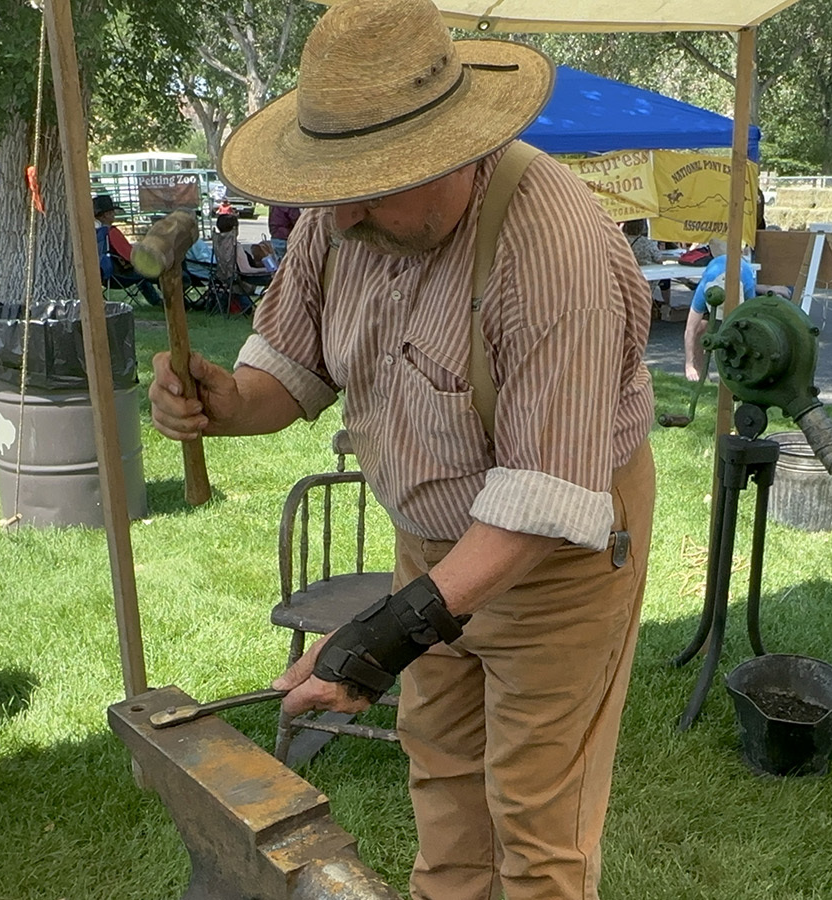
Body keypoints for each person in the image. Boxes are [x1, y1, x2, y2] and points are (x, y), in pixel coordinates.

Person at [148, 1, 655, 897]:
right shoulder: (341, 222)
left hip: (555, 567)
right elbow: (289, 373)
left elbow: (542, 503)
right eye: (330, 187)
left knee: (540, 828)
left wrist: (374, 644)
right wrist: (229, 405)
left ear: (454, 154)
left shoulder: (553, 246)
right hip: (430, 546)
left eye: (373, 185)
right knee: (445, 785)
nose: (339, 220)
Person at [681, 240, 791, 382]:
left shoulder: (746, 285)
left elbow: (751, 319)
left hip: (742, 275)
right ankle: (702, 375)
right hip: (715, 278)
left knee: (740, 335)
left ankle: (737, 377)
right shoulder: (705, 287)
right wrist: (688, 365)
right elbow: (690, 329)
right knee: (699, 329)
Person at [92, 194, 162, 306]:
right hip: (120, 274)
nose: (114, 215)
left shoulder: (93, 234)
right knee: (147, 272)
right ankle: (159, 301)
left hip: (103, 275)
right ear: (105, 215)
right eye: (111, 213)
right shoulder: (111, 232)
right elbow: (129, 255)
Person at [211, 212, 273, 312]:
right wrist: (266, 269)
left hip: (224, 277)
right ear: (235, 228)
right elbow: (246, 270)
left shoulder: (219, 242)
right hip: (241, 279)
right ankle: (270, 308)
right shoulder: (236, 246)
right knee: (276, 275)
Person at [623, 218, 672, 310]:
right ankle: (667, 304)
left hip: (628, 272)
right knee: (665, 279)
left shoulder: (622, 239)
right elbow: (659, 259)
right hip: (647, 275)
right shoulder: (647, 242)